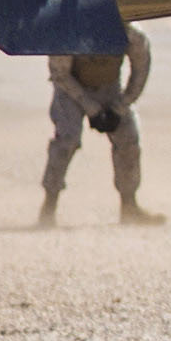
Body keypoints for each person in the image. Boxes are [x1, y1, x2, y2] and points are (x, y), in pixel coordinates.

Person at [39, 27, 161, 226]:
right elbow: (60, 73)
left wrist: (121, 107)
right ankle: (48, 208)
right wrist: (92, 108)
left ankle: (129, 207)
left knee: (128, 138)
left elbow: (141, 71)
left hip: (109, 88)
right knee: (67, 139)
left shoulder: (131, 35)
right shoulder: (69, 30)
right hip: (70, 89)